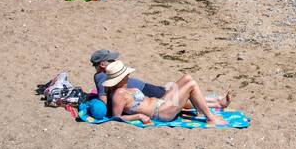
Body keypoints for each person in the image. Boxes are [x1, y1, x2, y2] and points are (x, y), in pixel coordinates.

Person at [89, 50, 231, 113]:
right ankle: (216, 102)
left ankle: (213, 101)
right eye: (111, 60)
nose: (115, 61)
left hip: (145, 90)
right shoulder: (101, 76)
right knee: (179, 99)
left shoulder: (104, 75)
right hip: (145, 91)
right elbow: (104, 99)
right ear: (102, 64)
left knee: (178, 96)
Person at [102, 60, 228, 126]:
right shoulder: (118, 94)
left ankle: (211, 105)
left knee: (187, 78)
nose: (128, 75)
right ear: (120, 78)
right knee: (191, 85)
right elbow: (117, 117)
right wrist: (138, 116)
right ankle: (210, 118)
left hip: (160, 102)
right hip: (160, 113)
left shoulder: (124, 87)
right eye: (126, 74)